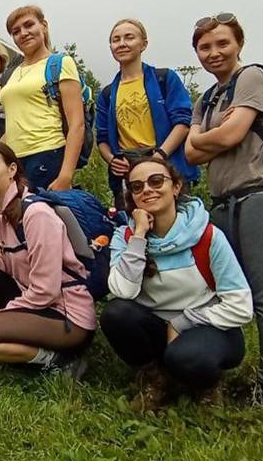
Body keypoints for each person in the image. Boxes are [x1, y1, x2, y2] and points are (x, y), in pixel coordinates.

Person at [184, 12, 263, 410]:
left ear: (239, 44)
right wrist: (211, 139)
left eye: (222, 44)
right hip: (225, 200)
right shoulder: (209, 97)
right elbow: (189, 151)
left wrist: (208, 138)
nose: (214, 53)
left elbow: (231, 135)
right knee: (240, 288)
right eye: (205, 47)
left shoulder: (252, 77)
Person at [102, 157, 254, 411]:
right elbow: (123, 291)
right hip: (157, 328)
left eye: (156, 180)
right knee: (115, 314)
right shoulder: (126, 237)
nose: (147, 189)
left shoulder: (207, 236)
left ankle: (207, 384)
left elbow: (241, 306)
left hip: (209, 326)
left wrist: (181, 322)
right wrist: (139, 236)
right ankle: (155, 378)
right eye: (137, 187)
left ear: (176, 186)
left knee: (185, 357)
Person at [0, 141, 95, 373]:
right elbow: (9, 263)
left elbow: (46, 290)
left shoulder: (37, 215)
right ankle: (11, 340)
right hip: (33, 299)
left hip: (67, 317)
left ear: (11, 170)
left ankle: (57, 360)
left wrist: (5, 312)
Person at [95, 19, 199, 210]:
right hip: (127, 167)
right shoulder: (107, 94)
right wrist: (112, 160)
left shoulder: (164, 79)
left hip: (165, 161)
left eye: (129, 37)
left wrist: (160, 155)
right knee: (134, 227)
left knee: (178, 224)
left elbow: (183, 122)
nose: (122, 43)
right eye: (115, 40)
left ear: (143, 43)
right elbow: (102, 138)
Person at [0, 5, 86, 191]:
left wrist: (65, 175)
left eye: (29, 25)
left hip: (47, 153)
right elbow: (15, 122)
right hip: (14, 161)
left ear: (44, 26)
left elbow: (76, 124)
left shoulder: (60, 63)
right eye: (16, 31)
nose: (23, 33)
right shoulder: (12, 74)